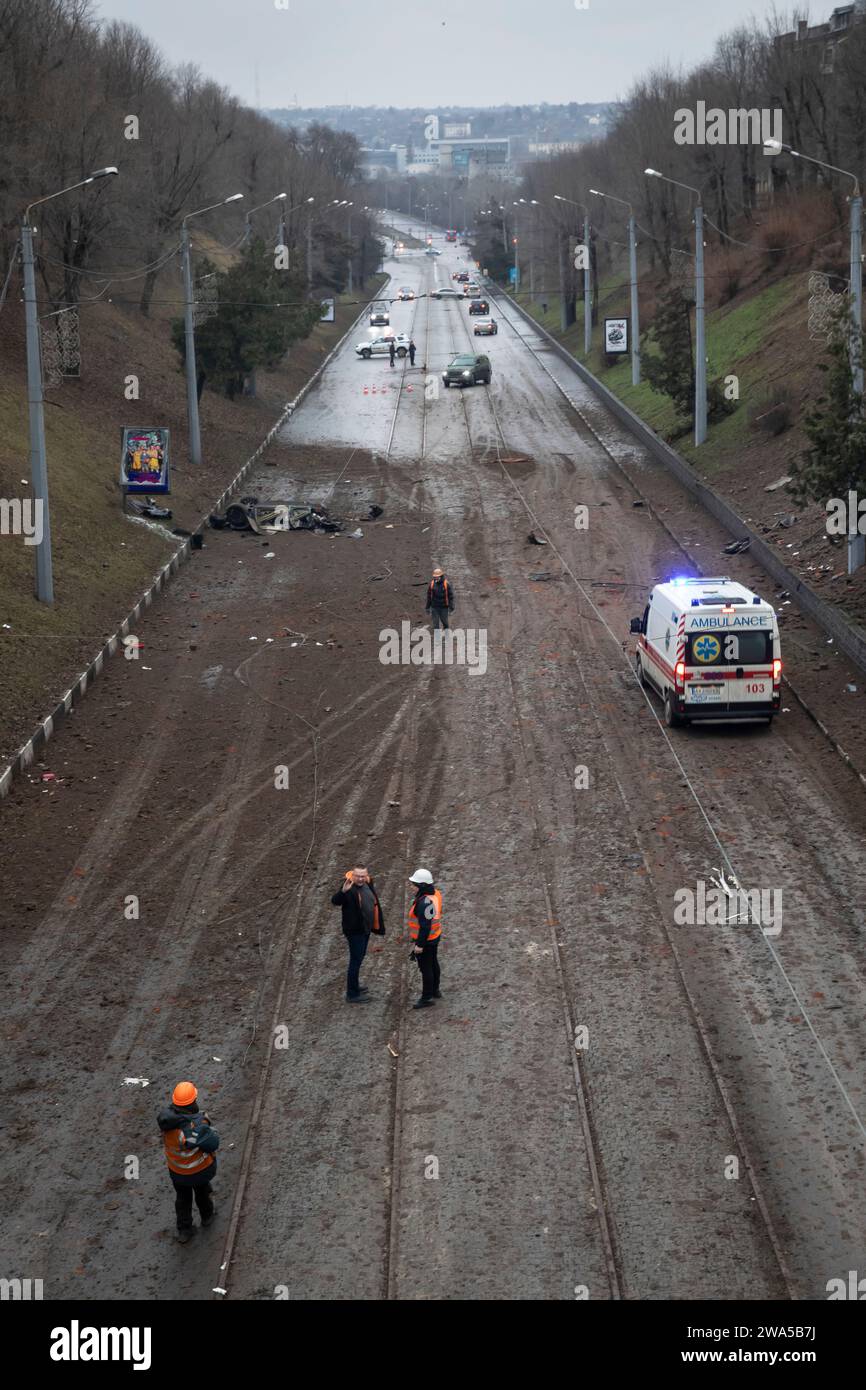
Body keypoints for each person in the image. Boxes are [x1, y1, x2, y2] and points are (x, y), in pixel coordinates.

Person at [157, 1081, 219, 1244]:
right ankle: (207, 1217)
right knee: (202, 1193)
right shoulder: (192, 1128)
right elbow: (212, 1143)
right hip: (199, 1171)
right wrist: (204, 1123)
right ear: (193, 1101)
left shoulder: (167, 1124)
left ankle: (184, 1230)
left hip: (177, 1173)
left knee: (182, 1199)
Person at [332, 865, 385, 1003]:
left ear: (366, 875)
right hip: (355, 931)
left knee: (360, 957)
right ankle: (352, 994)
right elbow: (335, 901)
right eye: (358, 876)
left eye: (363, 876)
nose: (360, 879)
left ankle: (354, 986)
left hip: (365, 928)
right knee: (355, 961)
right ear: (352, 875)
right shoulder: (348, 887)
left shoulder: (368, 881)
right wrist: (342, 892)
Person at [407, 869, 442, 1009]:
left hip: (426, 940)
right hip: (435, 936)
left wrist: (419, 945)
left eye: (413, 884)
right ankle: (435, 990)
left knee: (426, 968)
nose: (411, 887)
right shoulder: (435, 894)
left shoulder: (424, 902)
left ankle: (426, 997)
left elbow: (425, 926)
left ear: (421, 886)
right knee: (433, 963)